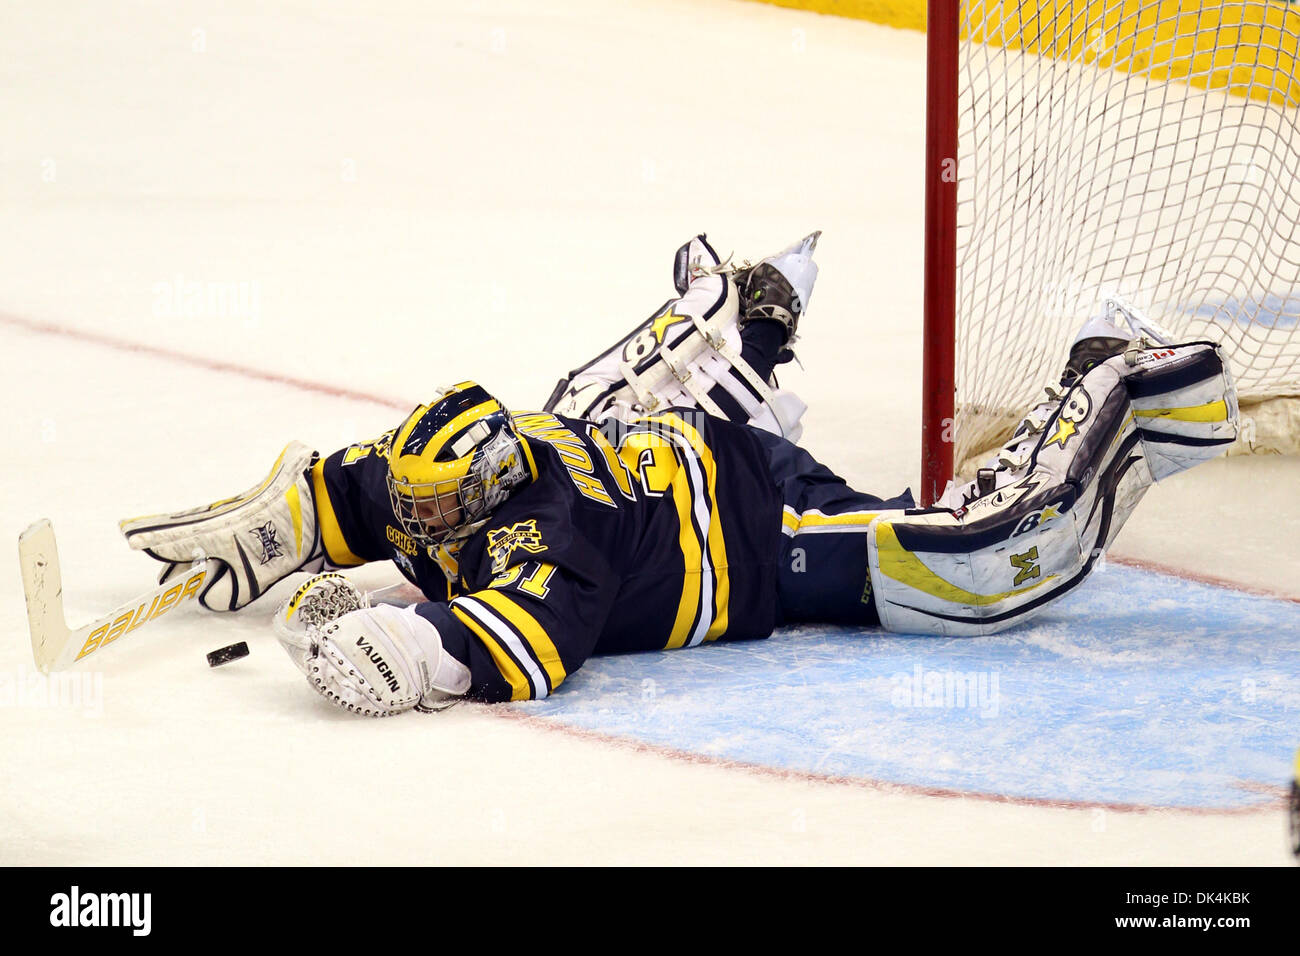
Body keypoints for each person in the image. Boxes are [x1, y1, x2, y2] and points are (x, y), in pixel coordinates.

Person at [119, 235, 1239, 716]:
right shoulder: (455, 469)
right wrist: (270, 527)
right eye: (412, 503)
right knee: (588, 399)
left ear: (490, 485)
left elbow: (535, 636)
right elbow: (344, 487)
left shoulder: (538, 533)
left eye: (433, 507)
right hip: (673, 461)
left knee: (970, 564)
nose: (414, 517)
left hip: (765, 526)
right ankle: (743, 326)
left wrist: (416, 650)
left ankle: (1112, 375)